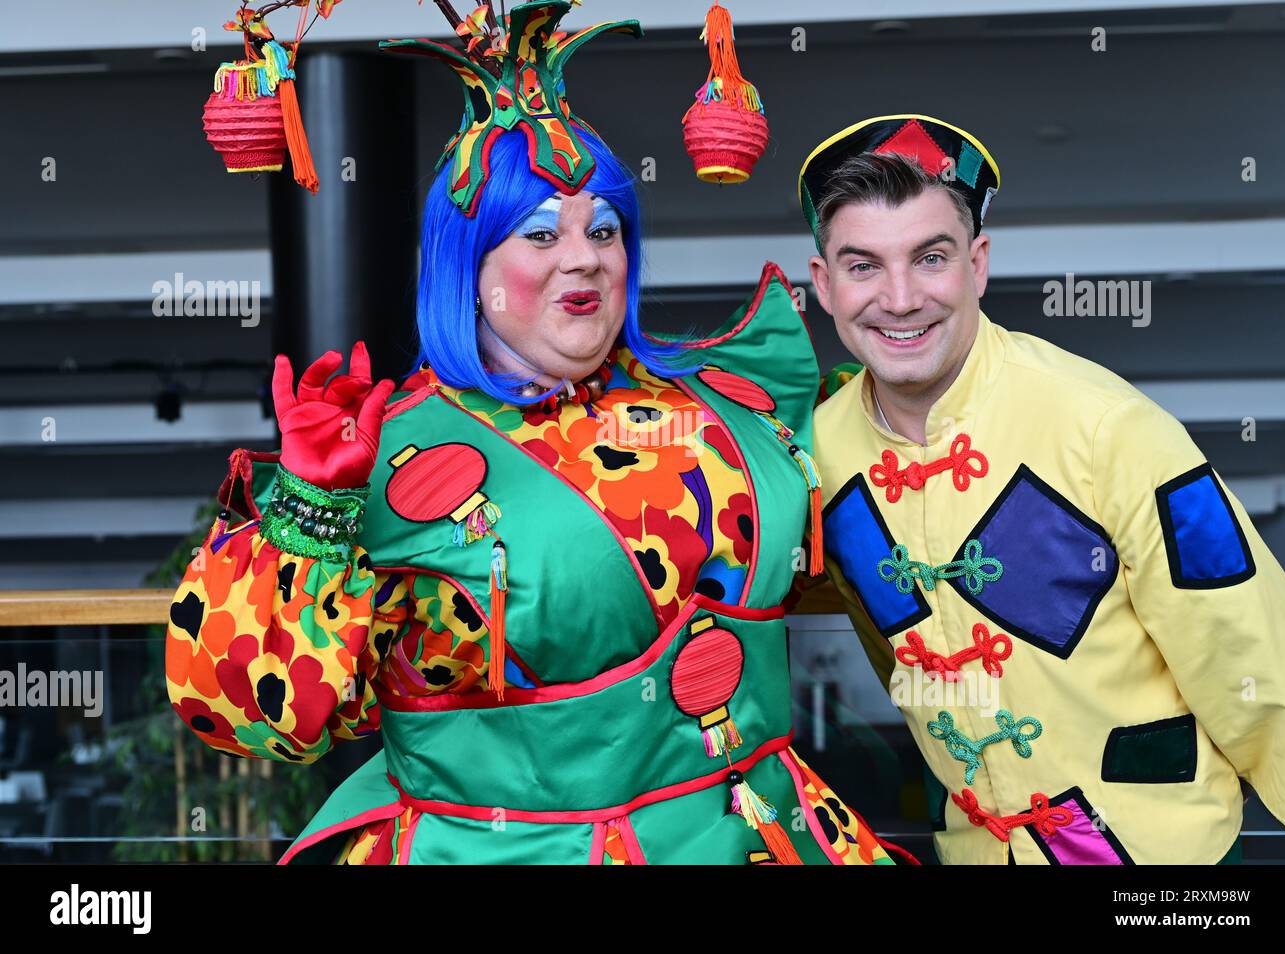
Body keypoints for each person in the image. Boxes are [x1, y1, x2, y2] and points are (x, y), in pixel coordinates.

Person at [164, 1, 898, 866]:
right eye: (540, 232)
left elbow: (899, 502)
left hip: (762, 832)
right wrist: (313, 507)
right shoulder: (393, 454)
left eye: (605, 229)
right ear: (468, 271)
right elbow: (248, 716)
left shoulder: (730, 409)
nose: (583, 256)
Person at [801, 113, 1285, 864]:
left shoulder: (1108, 425)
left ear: (978, 264)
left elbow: (1238, 634)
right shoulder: (819, 455)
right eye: (863, 265)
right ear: (825, 284)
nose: (899, 299)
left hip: (1159, 859)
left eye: (930, 258)